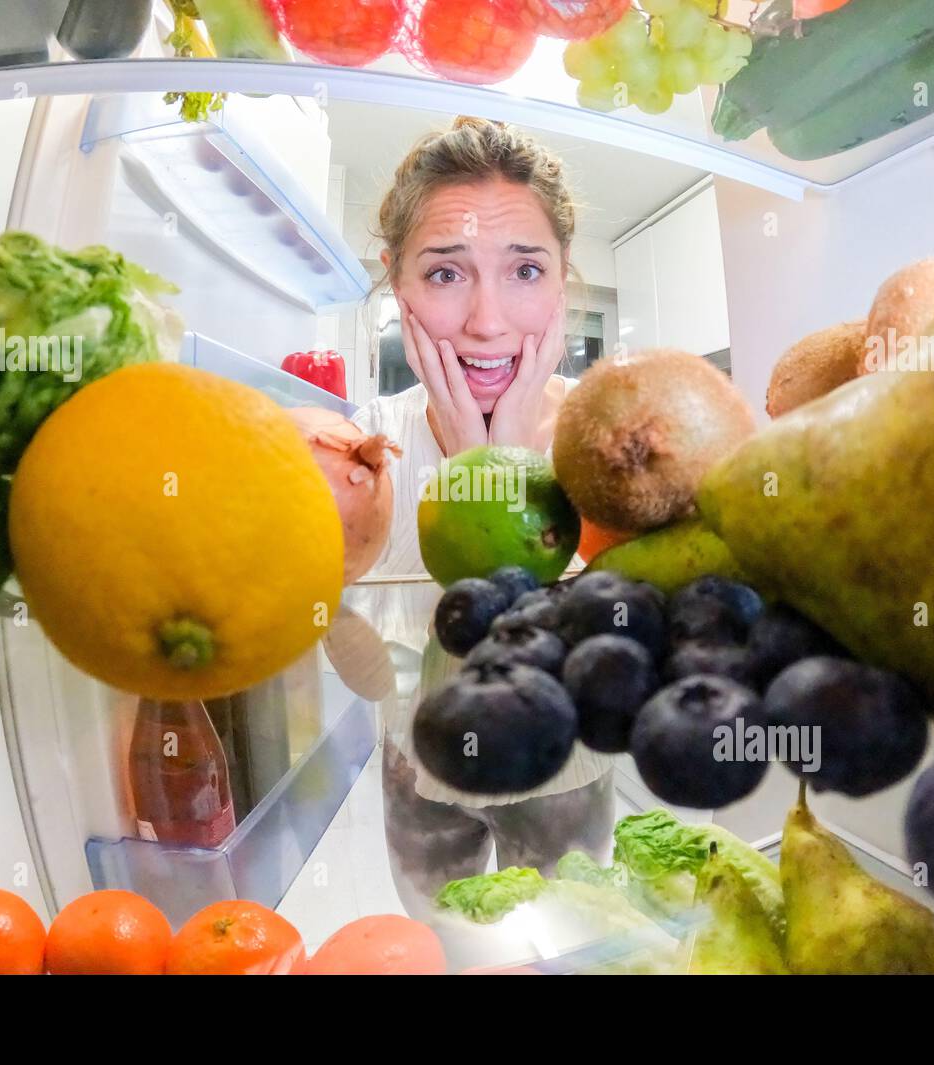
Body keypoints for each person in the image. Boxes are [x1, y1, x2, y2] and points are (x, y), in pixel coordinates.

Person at [350, 116, 615, 919]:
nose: (488, 322)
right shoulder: (363, 453)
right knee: (444, 941)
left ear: (564, 280)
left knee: (567, 936)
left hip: (568, 771)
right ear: (397, 282)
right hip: (416, 771)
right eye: (445, 275)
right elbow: (355, 675)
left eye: (525, 269)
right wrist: (473, 469)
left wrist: (491, 473)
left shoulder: (611, 451)